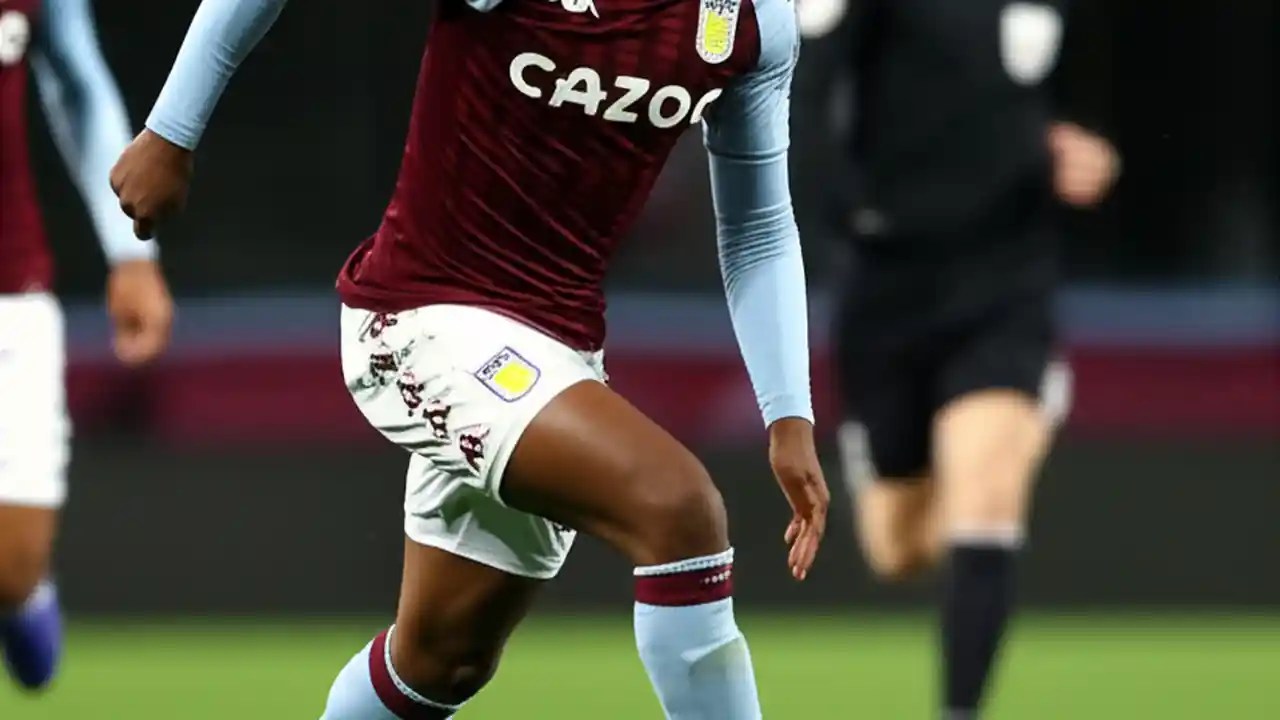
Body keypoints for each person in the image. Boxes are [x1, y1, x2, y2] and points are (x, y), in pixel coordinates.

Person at [110, 0, 830, 717]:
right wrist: (171, 131)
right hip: (420, 317)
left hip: (556, 354)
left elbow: (757, 225)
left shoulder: (754, 19)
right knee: (681, 510)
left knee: (441, 662)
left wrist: (788, 413)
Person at [813, 0, 1118, 717]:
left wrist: (1092, 148)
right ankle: (927, 450)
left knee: (986, 501)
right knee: (899, 552)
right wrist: (832, 208)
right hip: (886, 285)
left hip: (1005, 282)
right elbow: (804, 91)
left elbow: (1072, 103)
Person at [0, 0, 173, 692]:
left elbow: (77, 80)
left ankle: (22, 592)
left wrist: (130, 253)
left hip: (10, 289)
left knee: (11, 566)